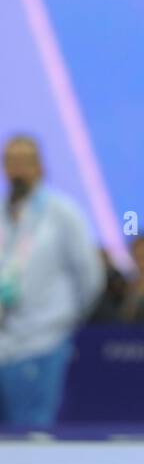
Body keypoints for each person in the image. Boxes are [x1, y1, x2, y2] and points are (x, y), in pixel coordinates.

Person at [0, 135, 105, 428]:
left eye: (24, 161)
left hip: (42, 342)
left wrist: (63, 319)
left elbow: (90, 275)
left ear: (40, 167)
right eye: (10, 161)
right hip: (3, 341)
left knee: (32, 441)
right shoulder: (3, 213)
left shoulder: (63, 213)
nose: (17, 169)